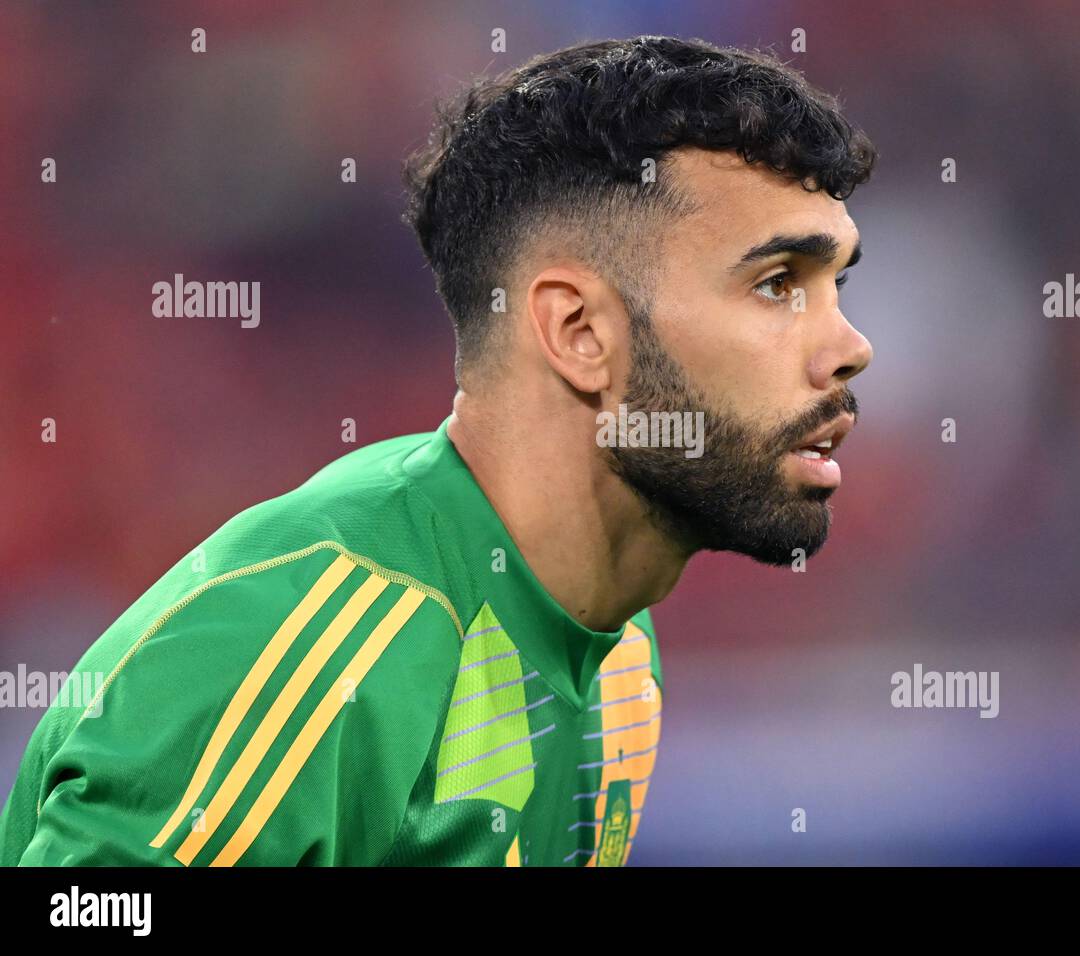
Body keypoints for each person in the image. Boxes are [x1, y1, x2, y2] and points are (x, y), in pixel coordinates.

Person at [0, 34, 875, 866]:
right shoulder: (310, 651)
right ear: (578, 332)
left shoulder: (619, 659)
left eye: (836, 285)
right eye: (775, 285)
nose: (850, 346)